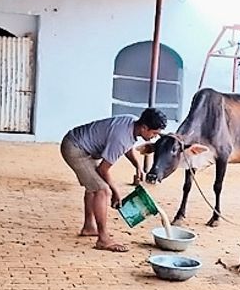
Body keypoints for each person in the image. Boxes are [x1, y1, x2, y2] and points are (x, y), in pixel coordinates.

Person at [60, 107, 167, 252]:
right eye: (154, 133)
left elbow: (126, 146)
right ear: (144, 128)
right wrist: (115, 192)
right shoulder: (122, 138)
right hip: (75, 149)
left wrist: (137, 166)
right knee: (102, 190)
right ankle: (103, 239)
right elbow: (103, 169)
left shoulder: (131, 122)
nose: (155, 136)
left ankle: (89, 227)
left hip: (79, 143)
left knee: (93, 185)